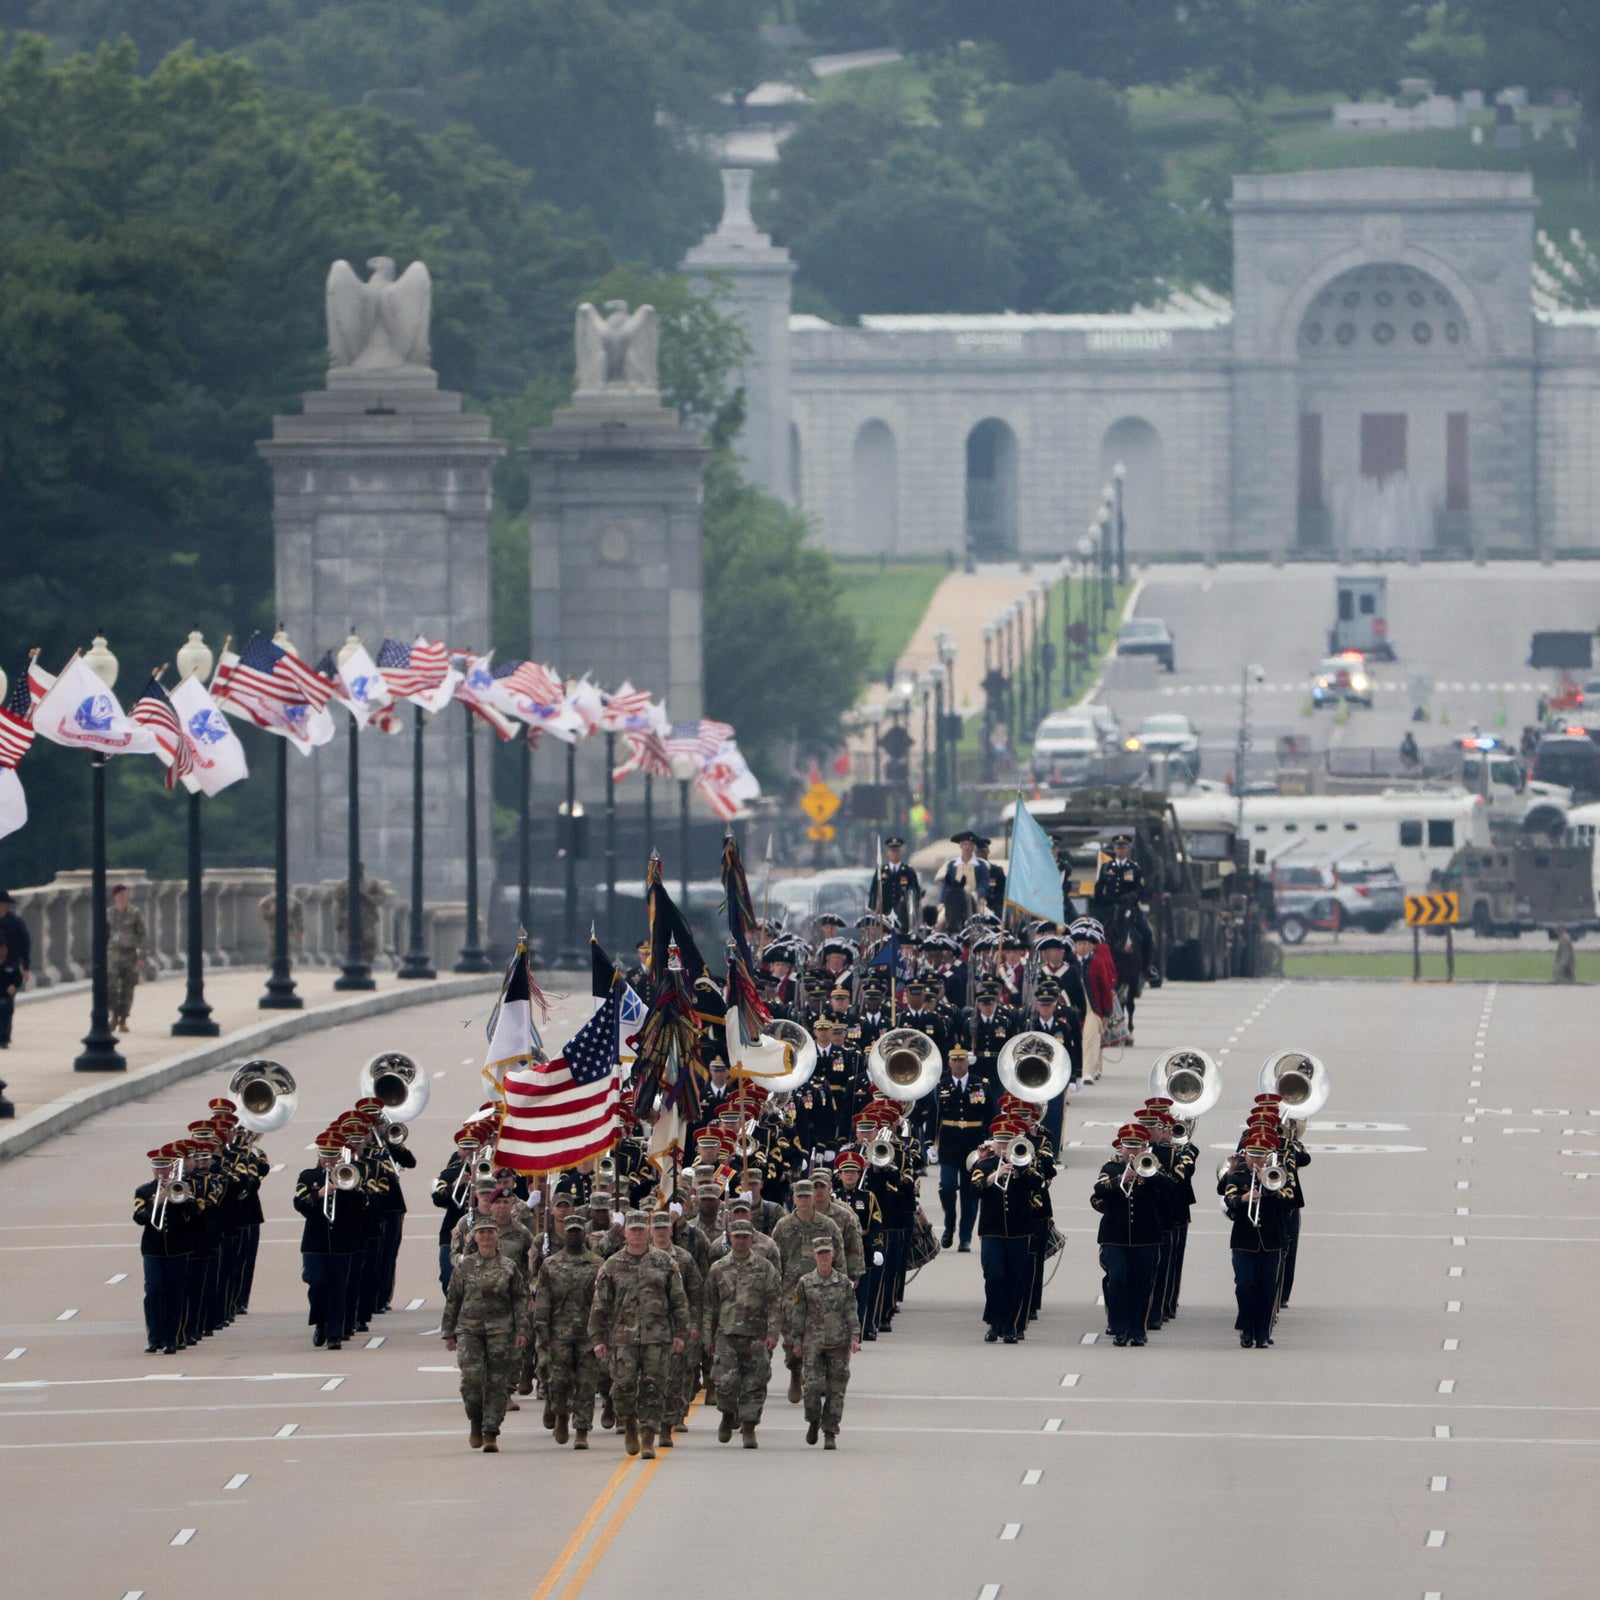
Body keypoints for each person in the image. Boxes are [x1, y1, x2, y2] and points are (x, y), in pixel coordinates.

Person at [588, 1210, 689, 1459]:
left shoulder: (664, 1262)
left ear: (649, 1232)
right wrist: (597, 1339)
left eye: (641, 1229)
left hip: (658, 1337)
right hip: (622, 1338)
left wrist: (680, 1332)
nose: (636, 1234)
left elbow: (678, 1300)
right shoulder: (612, 1265)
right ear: (625, 1232)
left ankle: (647, 1436)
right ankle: (630, 1424)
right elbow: (600, 1305)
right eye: (632, 1230)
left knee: (654, 1388)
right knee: (623, 1387)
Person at [442, 1216, 529, 1452]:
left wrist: (522, 1330)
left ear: (497, 1236)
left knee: (497, 1382)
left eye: (491, 1232)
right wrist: (448, 1332)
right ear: (475, 1238)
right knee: (471, 1381)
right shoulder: (465, 1266)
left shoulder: (508, 1266)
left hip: (501, 1330)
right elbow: (454, 1299)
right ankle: (476, 1421)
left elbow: (520, 1300)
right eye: (482, 1232)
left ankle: (491, 1431)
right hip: (470, 1330)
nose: (487, 1236)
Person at [703, 1220, 783, 1448]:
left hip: (756, 1335)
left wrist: (773, 1333)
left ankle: (749, 1427)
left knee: (755, 1384)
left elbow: (774, 1303)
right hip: (727, 1335)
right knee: (725, 1383)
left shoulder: (765, 1267)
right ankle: (728, 1415)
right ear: (730, 1238)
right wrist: (707, 1338)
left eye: (744, 1236)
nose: (740, 1240)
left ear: (751, 1239)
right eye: (736, 1236)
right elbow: (709, 1305)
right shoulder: (718, 1268)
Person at [1090, 1125, 1166, 1346]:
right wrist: (1121, 1180)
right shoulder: (1111, 1167)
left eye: (1136, 1146)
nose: (1131, 1152)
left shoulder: (1152, 1168)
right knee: (1119, 1280)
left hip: (1146, 1237)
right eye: (1128, 1146)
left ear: (1145, 1147)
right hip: (1115, 1236)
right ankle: (1120, 1327)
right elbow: (1099, 1188)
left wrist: (1147, 1175)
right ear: (1121, 1147)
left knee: (1142, 1284)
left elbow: (1168, 1187)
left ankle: (1138, 1330)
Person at [1220, 1131, 1296, 1348]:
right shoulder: (1237, 1176)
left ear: (1268, 1156)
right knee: (1244, 1285)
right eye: (1252, 1155)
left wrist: (1269, 1186)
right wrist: (1243, 1198)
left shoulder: (1280, 1176)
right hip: (1243, 1241)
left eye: (1259, 1155)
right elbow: (1228, 1198)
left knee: (1267, 1287)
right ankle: (1246, 1327)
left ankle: (1262, 1333)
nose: (1255, 1159)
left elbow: (1288, 1201)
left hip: (1271, 1241)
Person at [971, 1124, 1047, 1344]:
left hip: (1019, 1231)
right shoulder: (984, 1164)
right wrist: (994, 1175)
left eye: (1007, 1142)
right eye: (1000, 1142)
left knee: (1016, 1279)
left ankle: (1012, 1326)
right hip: (992, 1230)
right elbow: (973, 1188)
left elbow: (1039, 1184)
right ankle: (995, 1323)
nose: (1003, 1147)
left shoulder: (1026, 1165)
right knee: (994, 1275)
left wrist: (1022, 1170)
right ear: (993, 1144)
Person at [532, 1216, 602, 1448]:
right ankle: (561, 1415)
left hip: (587, 1334)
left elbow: (603, 1302)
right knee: (559, 1381)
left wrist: (603, 1332)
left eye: (578, 1232)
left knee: (586, 1383)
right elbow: (542, 1300)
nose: (574, 1235)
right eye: (570, 1231)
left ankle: (582, 1430)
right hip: (559, 1333)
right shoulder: (551, 1264)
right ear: (565, 1235)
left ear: (584, 1234)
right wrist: (542, 1332)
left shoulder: (597, 1264)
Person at [771, 1180, 845, 1402]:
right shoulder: (783, 1226)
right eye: (800, 1197)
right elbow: (775, 1260)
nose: (804, 1201)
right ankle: (795, 1372)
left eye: (807, 1196)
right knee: (792, 1339)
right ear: (794, 1199)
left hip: (820, 1290)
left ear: (814, 1198)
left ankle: (816, 1377)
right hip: (790, 1292)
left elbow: (838, 1257)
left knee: (819, 1337)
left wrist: (842, 1285)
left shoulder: (828, 1225)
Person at [293, 1137, 367, 1352]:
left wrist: (346, 1188)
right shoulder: (308, 1176)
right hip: (314, 1242)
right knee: (316, 1281)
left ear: (339, 1156)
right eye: (325, 1155)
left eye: (333, 1155)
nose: (329, 1160)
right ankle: (320, 1322)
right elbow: (299, 1203)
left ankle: (334, 1334)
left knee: (337, 1288)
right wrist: (318, 1194)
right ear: (319, 1155)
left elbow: (363, 1202)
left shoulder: (351, 1175)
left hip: (342, 1242)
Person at [791, 1239, 858, 1449]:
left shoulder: (844, 1283)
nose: (824, 1257)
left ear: (833, 1254)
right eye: (820, 1253)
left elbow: (850, 1310)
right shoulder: (805, 1282)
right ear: (814, 1256)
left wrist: (855, 1336)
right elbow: (799, 1312)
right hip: (813, 1342)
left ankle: (830, 1431)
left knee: (836, 1389)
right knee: (812, 1386)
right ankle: (813, 1419)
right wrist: (796, 1340)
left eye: (827, 1253)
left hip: (838, 1342)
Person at [133, 1147, 197, 1354]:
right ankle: (154, 1337)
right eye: (157, 1167)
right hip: (153, 1249)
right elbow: (139, 1218)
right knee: (153, 1291)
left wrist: (180, 1196)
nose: (161, 1172)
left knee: (175, 1293)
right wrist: (158, 1202)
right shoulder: (143, 1191)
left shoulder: (183, 1188)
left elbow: (194, 1212)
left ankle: (172, 1338)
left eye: (165, 1167)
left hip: (178, 1248)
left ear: (172, 1168)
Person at [935, 1046, 990, 1251]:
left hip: (973, 1144)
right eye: (954, 1060)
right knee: (947, 1186)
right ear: (949, 1062)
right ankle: (949, 1224)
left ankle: (965, 1237)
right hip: (949, 1144)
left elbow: (990, 1114)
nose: (958, 1064)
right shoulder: (942, 1086)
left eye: (962, 1060)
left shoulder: (981, 1084)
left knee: (970, 1192)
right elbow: (935, 1116)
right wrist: (929, 1144)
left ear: (968, 1062)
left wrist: (990, 1141)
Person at [1091, 837, 1157, 984]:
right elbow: (1099, 888)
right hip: (1109, 908)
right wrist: (1100, 904)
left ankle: (1147, 967)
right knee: (1092, 933)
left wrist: (1131, 896)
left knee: (1147, 933)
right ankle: (1089, 963)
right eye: (1118, 847)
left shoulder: (1134, 868)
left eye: (1124, 847)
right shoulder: (1107, 867)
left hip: (1130, 908)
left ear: (1128, 849)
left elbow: (1141, 889)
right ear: (1114, 849)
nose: (1121, 849)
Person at [107, 883, 148, 1032]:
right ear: (114, 896)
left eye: (124, 894)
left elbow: (142, 935)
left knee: (127, 988)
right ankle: (114, 1014)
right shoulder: (109, 914)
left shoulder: (134, 913)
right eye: (119, 895)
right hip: (113, 954)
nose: (122, 897)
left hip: (129, 954)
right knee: (110, 986)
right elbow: (104, 934)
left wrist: (142, 956)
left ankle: (123, 1018)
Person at [937, 831, 991, 929]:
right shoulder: (952, 865)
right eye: (965, 844)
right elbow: (946, 884)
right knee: (940, 922)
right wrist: (942, 901)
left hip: (976, 901)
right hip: (954, 901)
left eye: (970, 845)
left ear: (973, 847)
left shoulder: (981, 865)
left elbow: (984, 885)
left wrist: (977, 894)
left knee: (991, 921)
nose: (967, 847)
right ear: (961, 846)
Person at [870, 836, 921, 927]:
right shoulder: (881, 872)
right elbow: (873, 893)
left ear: (901, 852)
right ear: (887, 852)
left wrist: (912, 913)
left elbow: (915, 893)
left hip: (903, 917)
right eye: (892, 851)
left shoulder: (908, 871)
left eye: (897, 850)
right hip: (884, 915)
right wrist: (872, 914)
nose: (895, 853)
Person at [0, 890, 30, 995]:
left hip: (11, 963)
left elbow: (24, 944)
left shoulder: (15, 922)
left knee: (7, 997)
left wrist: (26, 967)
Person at [0, 935, 21, 1049]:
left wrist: (14, 986)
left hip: (7, 997)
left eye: (4, 949)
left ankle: (5, 1039)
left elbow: (18, 978)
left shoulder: (11, 965)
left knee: (6, 1019)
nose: (2, 951)